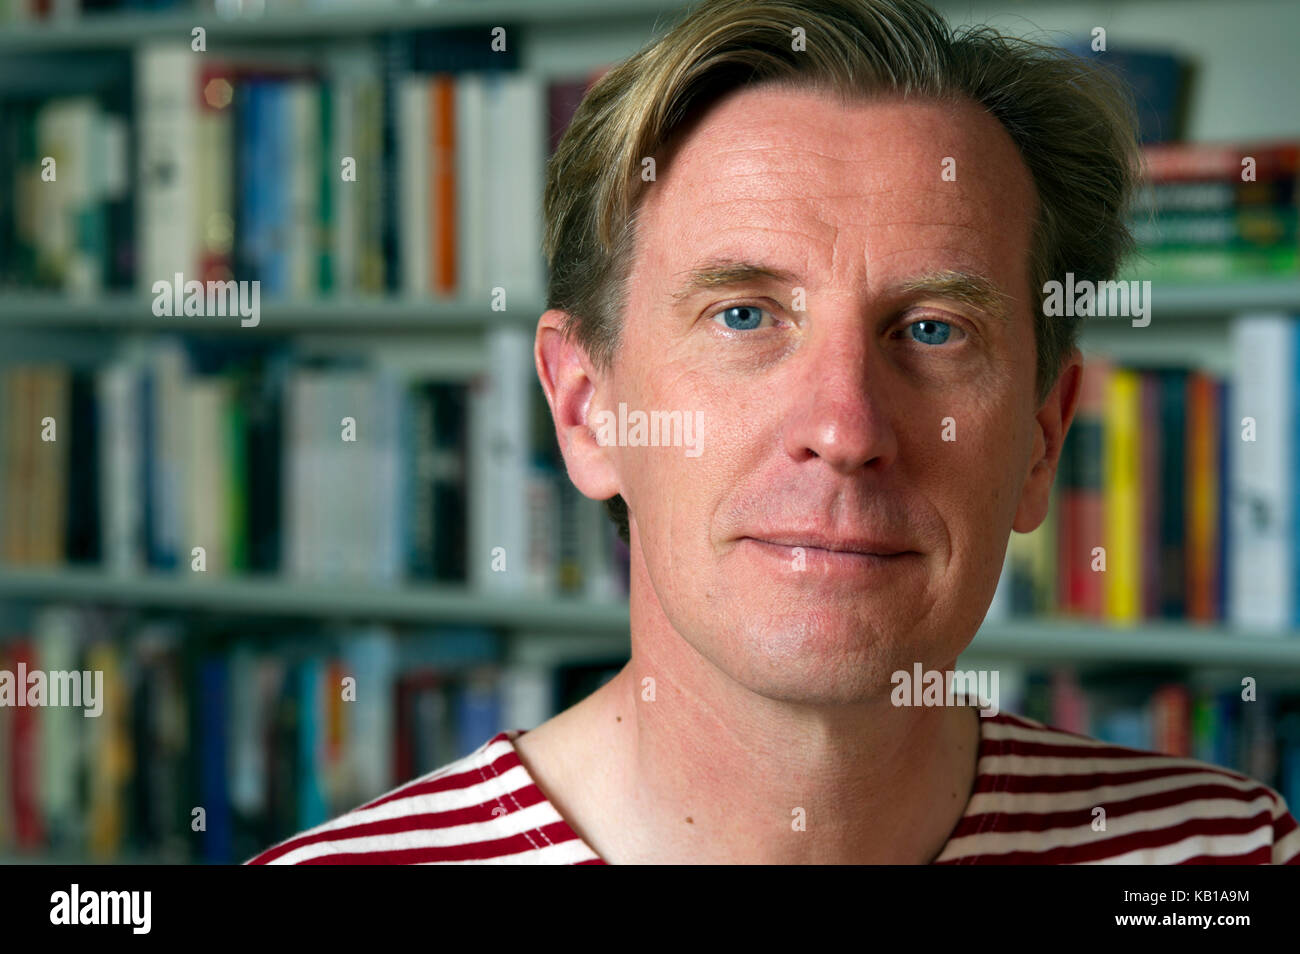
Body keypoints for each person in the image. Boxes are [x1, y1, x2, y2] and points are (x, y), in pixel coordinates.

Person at [249, 0, 1300, 865]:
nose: (845, 428)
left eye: (932, 330)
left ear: (1040, 435)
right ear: (584, 410)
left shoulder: (1225, 853)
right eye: (743, 314)